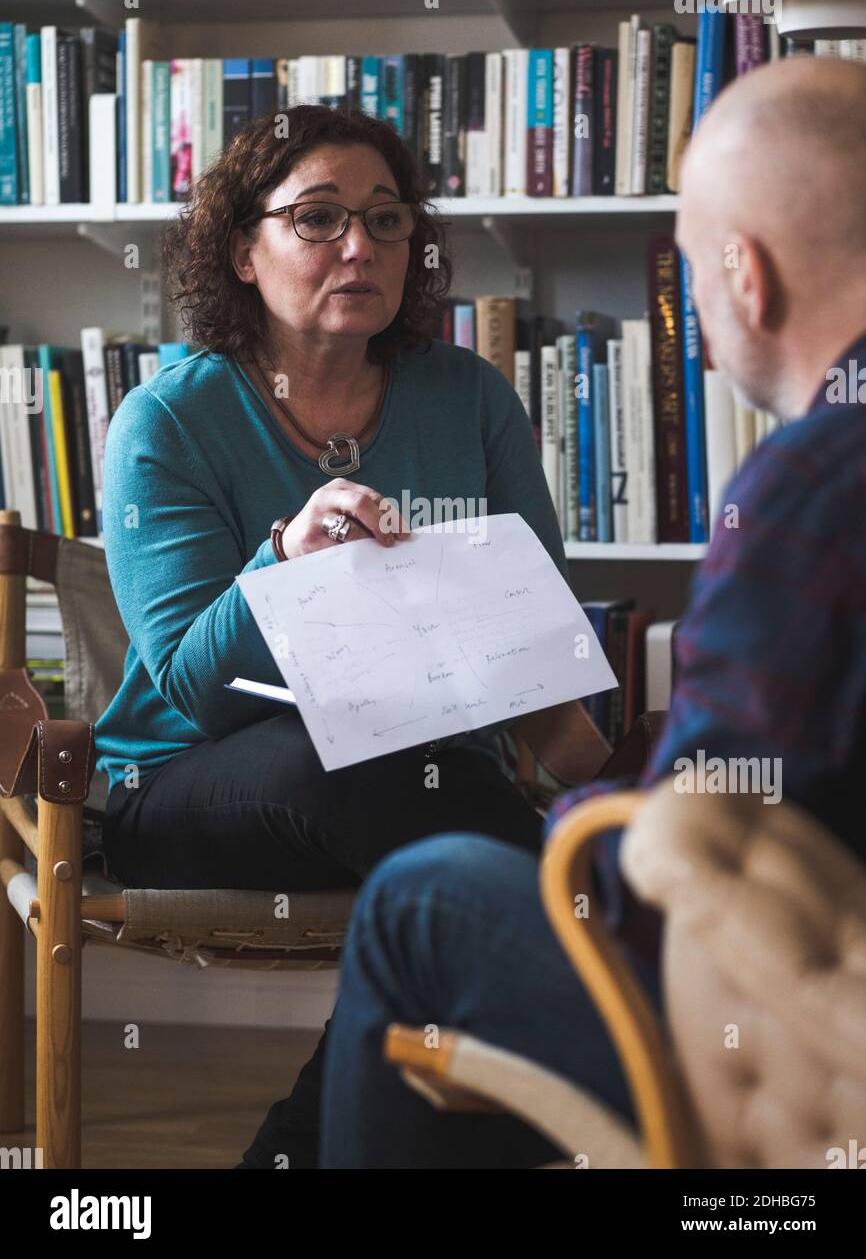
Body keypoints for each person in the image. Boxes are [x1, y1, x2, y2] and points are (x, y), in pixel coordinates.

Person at [316, 56, 866, 1167]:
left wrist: (575, 829)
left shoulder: (813, 484)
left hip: (806, 1048)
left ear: (744, 275)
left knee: (423, 897)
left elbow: (700, 868)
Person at [94, 104, 592, 1170]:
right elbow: (186, 688)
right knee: (460, 861)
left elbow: (529, 634)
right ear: (241, 248)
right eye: (316, 218)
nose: (359, 245)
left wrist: (609, 779)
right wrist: (284, 561)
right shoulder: (168, 420)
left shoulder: (468, 396)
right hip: (186, 780)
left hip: (429, 773)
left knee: (454, 913)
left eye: (385, 218)